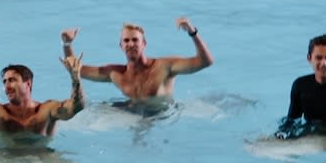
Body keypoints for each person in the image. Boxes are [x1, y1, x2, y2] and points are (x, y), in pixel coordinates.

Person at [61, 18, 212, 101]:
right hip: (132, 113)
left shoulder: (165, 66)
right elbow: (76, 70)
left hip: (162, 117)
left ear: (144, 43)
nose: (131, 44)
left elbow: (205, 62)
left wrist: (192, 32)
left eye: (135, 40)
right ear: (121, 46)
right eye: (126, 41)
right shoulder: (115, 73)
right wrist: (67, 44)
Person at [0, 46, 85, 138]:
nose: (7, 86)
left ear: (28, 83)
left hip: (42, 160)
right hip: (4, 161)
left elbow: (76, 107)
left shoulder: (46, 110)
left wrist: (75, 78)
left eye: (12, 80)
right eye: (4, 82)